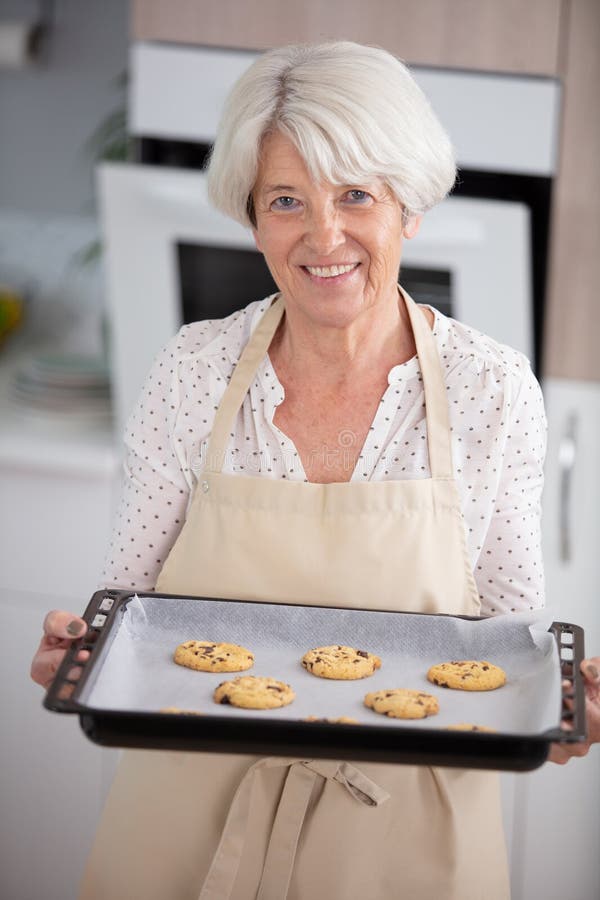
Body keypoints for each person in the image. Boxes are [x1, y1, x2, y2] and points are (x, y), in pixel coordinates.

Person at [31, 41, 600, 900]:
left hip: (406, 842)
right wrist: (77, 657)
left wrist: (557, 715)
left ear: (409, 207)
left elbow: (506, 651)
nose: (323, 236)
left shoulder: (492, 390)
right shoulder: (193, 372)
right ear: (253, 216)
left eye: (356, 195)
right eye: (287, 200)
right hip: (187, 826)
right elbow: (127, 613)